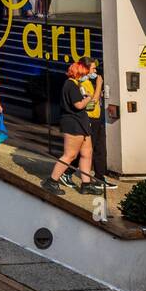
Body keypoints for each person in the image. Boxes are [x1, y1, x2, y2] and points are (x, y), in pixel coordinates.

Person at [43, 60, 103, 196]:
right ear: (82, 71)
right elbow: (79, 105)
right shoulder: (70, 85)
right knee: (70, 155)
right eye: (91, 70)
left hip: (82, 121)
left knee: (87, 153)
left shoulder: (79, 84)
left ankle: (86, 184)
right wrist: (88, 98)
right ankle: (51, 181)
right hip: (73, 123)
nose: (93, 73)